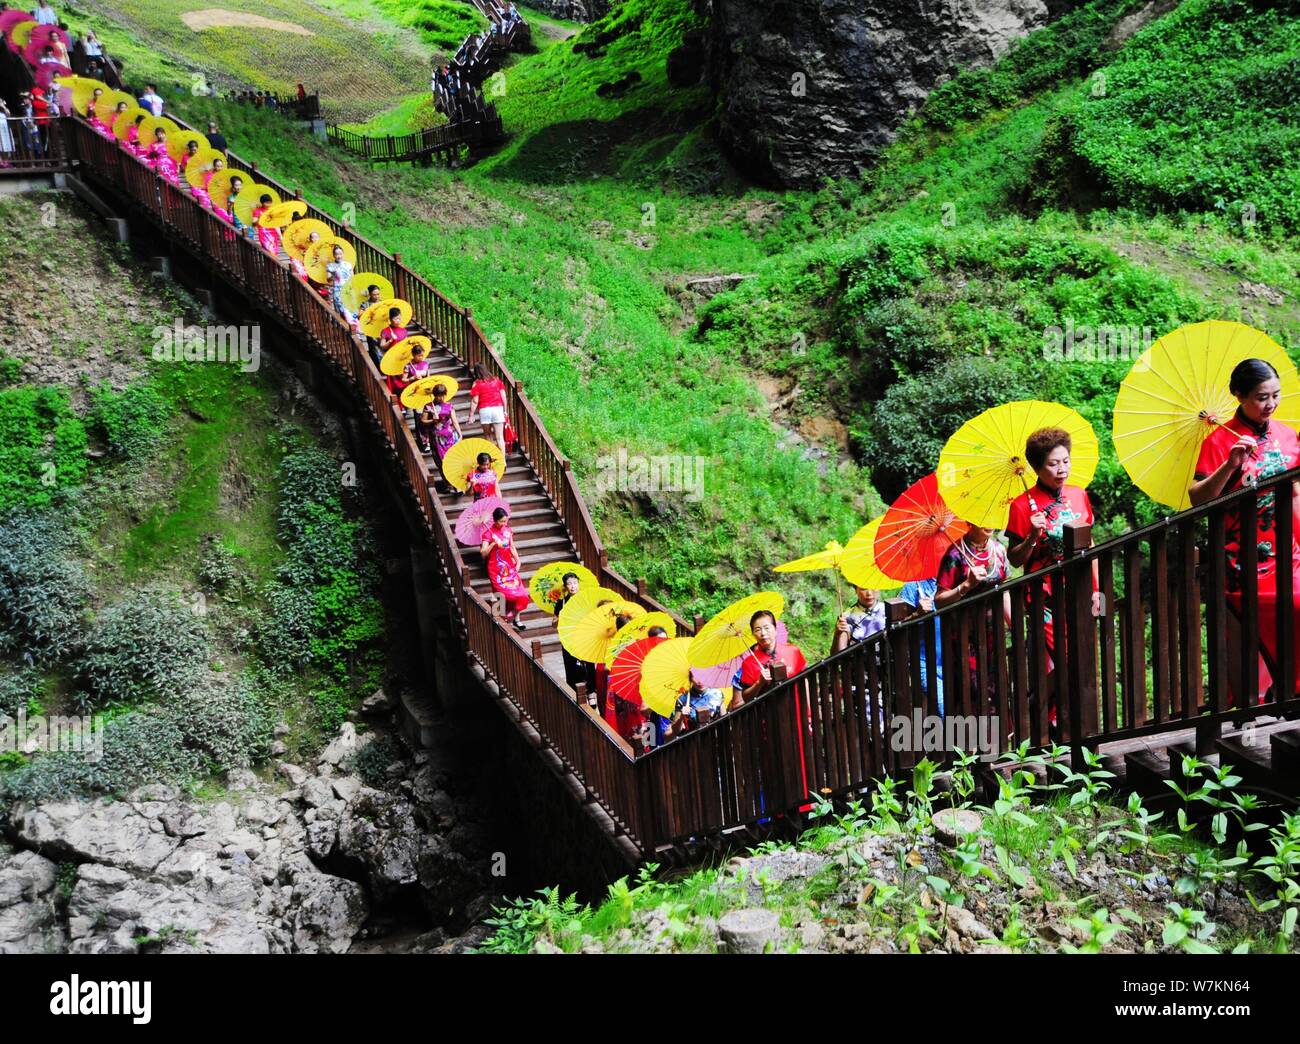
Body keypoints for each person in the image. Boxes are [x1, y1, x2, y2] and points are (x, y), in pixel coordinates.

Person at [1190, 357, 1300, 703]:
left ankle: (1285, 693)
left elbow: (1296, 492)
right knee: (1260, 628)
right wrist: (1230, 465)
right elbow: (1198, 498)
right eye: (1261, 397)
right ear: (1238, 395)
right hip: (1243, 559)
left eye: (1276, 395)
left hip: (1290, 549)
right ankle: (1260, 702)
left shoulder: (1286, 434)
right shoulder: (1219, 442)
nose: (1270, 404)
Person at [1006, 426, 1100, 730]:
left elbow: (1091, 544)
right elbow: (1016, 558)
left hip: (1079, 587)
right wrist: (1032, 534)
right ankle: (1044, 716)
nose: (1062, 469)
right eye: (1053, 464)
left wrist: (1097, 590)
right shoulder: (1022, 505)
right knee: (1069, 657)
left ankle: (1048, 716)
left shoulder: (1078, 495)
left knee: (1081, 655)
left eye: (1066, 461)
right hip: (1044, 595)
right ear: (1036, 467)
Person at [899, 577, 944, 715]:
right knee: (942, 707)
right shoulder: (912, 586)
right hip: (925, 662)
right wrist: (917, 614)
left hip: (953, 656)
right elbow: (898, 626)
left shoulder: (951, 578)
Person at [480, 507, 529, 630]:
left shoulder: (507, 530)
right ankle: (501, 619)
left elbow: (512, 547)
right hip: (495, 569)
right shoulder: (487, 534)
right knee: (501, 594)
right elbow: (483, 553)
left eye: (505, 521)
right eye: (501, 521)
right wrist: (493, 544)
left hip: (509, 566)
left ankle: (516, 619)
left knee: (521, 593)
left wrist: (518, 560)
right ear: (495, 521)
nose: (504, 523)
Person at [831, 586, 885, 653]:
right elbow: (838, 655)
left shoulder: (888, 609)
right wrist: (838, 634)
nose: (869, 593)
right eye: (863, 588)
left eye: (873, 587)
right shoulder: (847, 617)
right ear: (856, 590)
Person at [468, 362, 508, 452]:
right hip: (497, 409)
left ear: (476, 372)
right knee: (500, 437)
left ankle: (493, 458)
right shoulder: (497, 380)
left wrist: (471, 415)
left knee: (488, 436)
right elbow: (503, 396)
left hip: (485, 410)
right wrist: (505, 410)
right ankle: (503, 462)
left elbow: (475, 401)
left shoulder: (476, 383)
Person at [324, 243, 355, 322]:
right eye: (336, 254)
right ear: (334, 255)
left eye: (340, 254)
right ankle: (348, 324)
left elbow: (352, 278)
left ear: (343, 254)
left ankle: (353, 325)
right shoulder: (331, 266)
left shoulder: (348, 265)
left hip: (348, 289)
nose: (339, 256)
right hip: (338, 289)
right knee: (342, 309)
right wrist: (333, 275)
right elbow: (328, 279)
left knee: (351, 308)